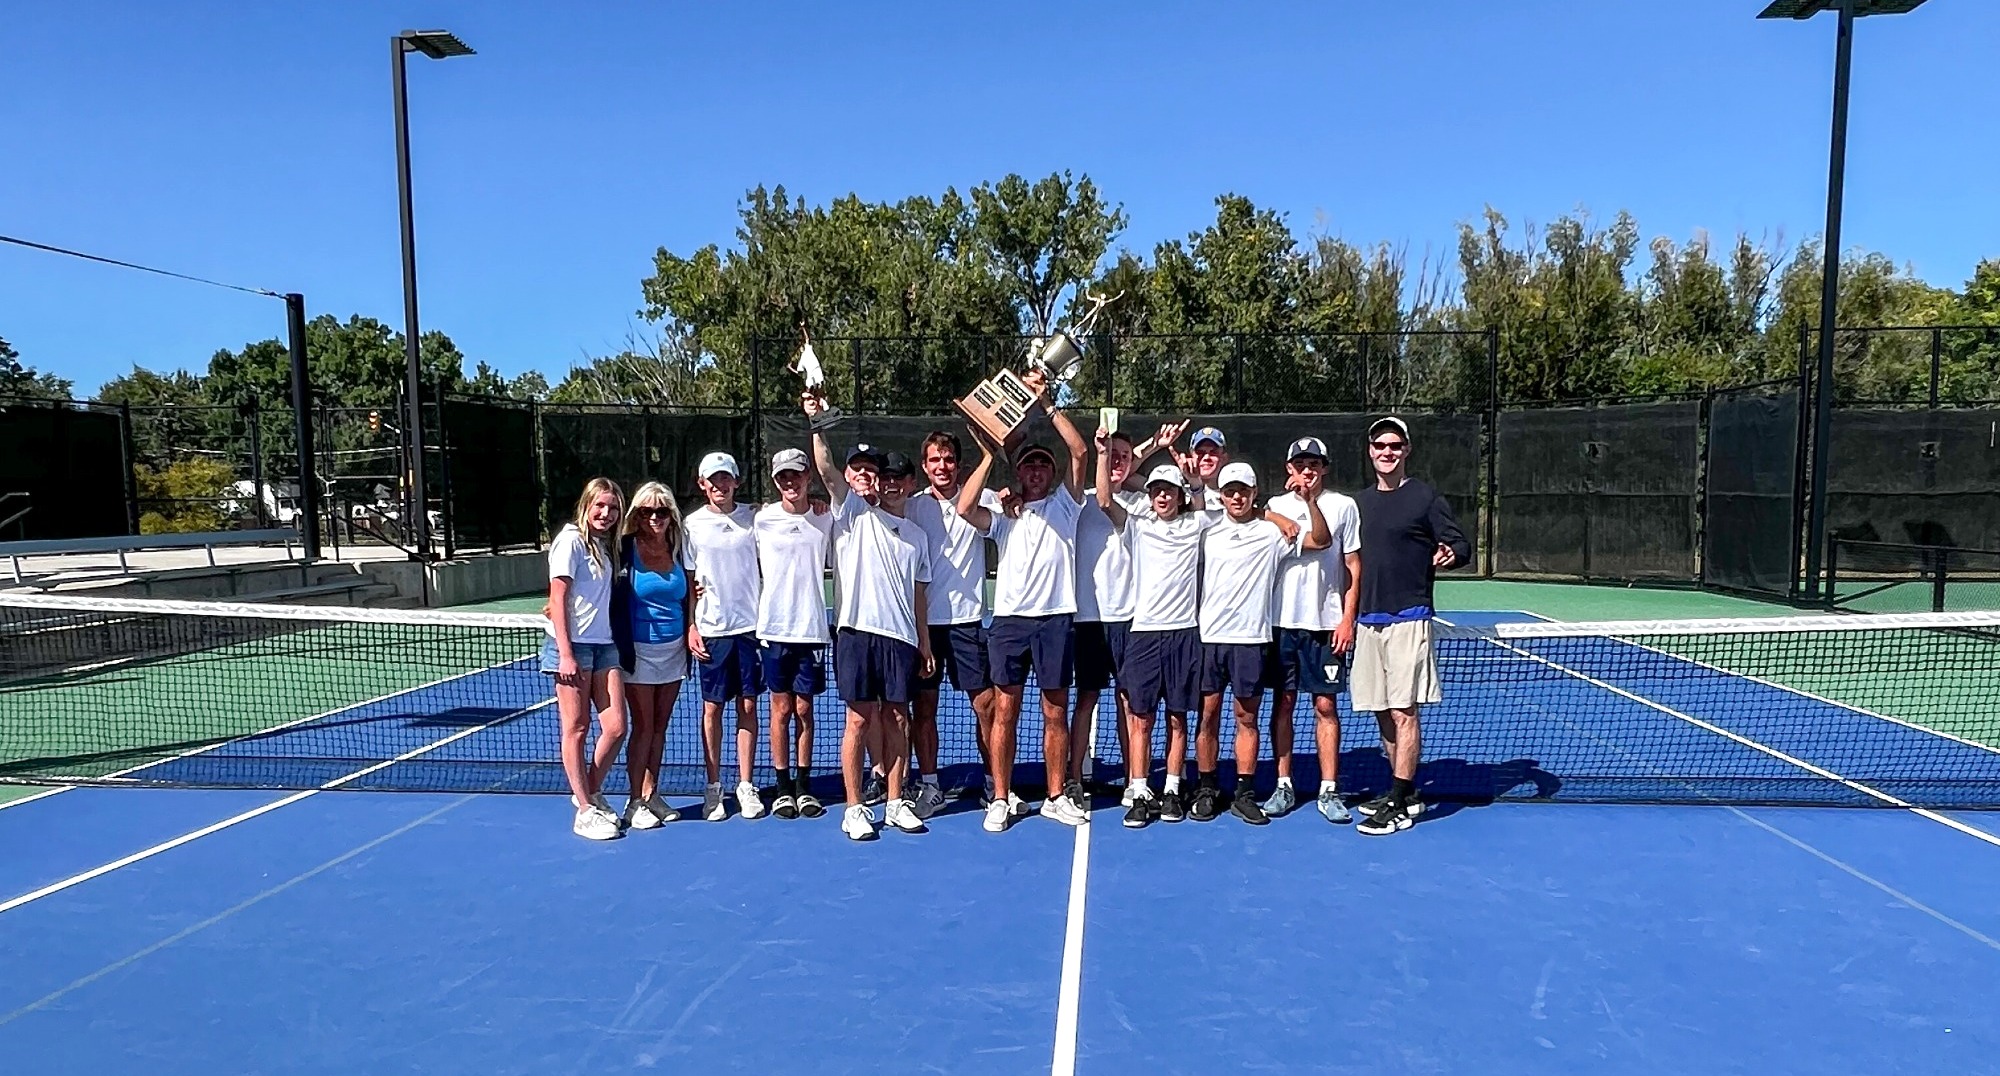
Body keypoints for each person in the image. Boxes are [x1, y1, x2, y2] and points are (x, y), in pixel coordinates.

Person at [957, 373, 1093, 832]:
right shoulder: (1002, 514)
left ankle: (1055, 796)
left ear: (1050, 474)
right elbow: (962, 509)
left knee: (1055, 711)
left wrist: (1047, 404)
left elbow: (1081, 452)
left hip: (1055, 620)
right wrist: (987, 455)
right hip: (1011, 622)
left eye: (1042, 466)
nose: (1035, 472)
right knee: (1005, 710)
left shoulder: (1066, 507)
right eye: (1028, 466)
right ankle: (1001, 798)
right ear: (1019, 474)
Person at [806, 394, 937, 841]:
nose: (874, 478)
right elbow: (823, 466)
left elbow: (920, 594)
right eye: (861, 470)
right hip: (857, 634)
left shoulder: (917, 536)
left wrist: (924, 642)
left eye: (878, 472)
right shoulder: (853, 511)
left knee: (898, 718)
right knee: (859, 720)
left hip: (901, 639)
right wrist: (817, 422)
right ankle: (855, 807)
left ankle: (897, 801)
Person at [1351, 416, 1472, 836]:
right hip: (1368, 620)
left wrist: (1449, 554)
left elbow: (1460, 544)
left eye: (1395, 445)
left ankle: (1400, 802)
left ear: (1406, 450)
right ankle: (1405, 790)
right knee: (1382, 711)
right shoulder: (1360, 503)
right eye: (1380, 445)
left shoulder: (1425, 497)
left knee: (1404, 711)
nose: (1388, 452)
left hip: (1410, 617)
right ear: (1370, 451)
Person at [1195, 461, 1326, 824]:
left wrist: (1307, 503)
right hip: (1210, 639)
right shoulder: (1206, 531)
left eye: (1243, 490)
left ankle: (1244, 792)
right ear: (1221, 495)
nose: (1236, 496)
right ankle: (1207, 787)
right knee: (1207, 716)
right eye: (1229, 490)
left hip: (1251, 641)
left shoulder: (1273, 535)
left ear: (1254, 494)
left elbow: (1320, 540)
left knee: (1245, 718)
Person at [1094, 441, 1211, 827]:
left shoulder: (1197, 525)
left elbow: (1203, 505)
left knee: (1178, 719)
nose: (1162, 496)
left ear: (1179, 496)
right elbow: (1105, 500)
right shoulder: (1137, 527)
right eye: (1157, 491)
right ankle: (1140, 790)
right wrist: (1101, 453)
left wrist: (1194, 481)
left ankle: (1173, 789)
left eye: (1169, 491)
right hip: (1144, 635)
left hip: (1184, 635)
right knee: (1140, 718)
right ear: (1150, 496)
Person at [1262, 436, 1362, 823]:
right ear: (1289, 468)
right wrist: (1278, 514)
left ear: (1324, 468)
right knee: (1283, 703)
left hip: (1326, 625)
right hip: (1281, 623)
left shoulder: (1343, 506)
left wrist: (1347, 617)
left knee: (1325, 706)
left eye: (1315, 463)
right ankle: (1283, 784)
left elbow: (1350, 563)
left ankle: (1329, 789)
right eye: (1300, 463)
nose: (1308, 469)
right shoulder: (1274, 507)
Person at [906, 430, 1001, 817]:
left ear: (958, 465)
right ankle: (930, 786)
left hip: (968, 623)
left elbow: (1015, 506)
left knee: (986, 707)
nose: (941, 467)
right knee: (924, 709)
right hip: (925, 627)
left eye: (947, 460)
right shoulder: (912, 507)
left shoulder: (984, 498)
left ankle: (996, 784)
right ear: (925, 466)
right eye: (934, 461)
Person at [543, 477, 630, 841]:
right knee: (576, 728)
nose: (606, 513)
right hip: (573, 649)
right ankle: (584, 809)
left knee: (615, 727)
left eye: (613, 508)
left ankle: (588, 793)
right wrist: (565, 654)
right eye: (600, 506)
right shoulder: (571, 541)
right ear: (586, 505)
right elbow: (558, 598)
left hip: (604, 645)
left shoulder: (606, 546)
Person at [683, 451, 765, 822]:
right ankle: (714, 787)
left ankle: (745, 785)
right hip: (712, 630)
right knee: (712, 709)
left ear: (736, 482)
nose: (719, 485)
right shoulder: (691, 525)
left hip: (750, 629)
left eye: (726, 478)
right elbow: (687, 580)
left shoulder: (754, 517)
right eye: (712, 479)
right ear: (702, 484)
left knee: (747, 707)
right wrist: (691, 625)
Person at [754, 448, 834, 820]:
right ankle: (782, 787)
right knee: (781, 709)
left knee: (805, 709)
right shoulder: (762, 520)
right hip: (773, 629)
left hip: (812, 629)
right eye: (782, 477)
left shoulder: (825, 517)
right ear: (775, 481)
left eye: (796, 475)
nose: (790, 482)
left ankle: (804, 787)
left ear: (807, 478)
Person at [612, 480, 693, 830]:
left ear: (671, 515)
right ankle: (634, 801)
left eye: (662, 511)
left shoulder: (678, 547)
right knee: (643, 727)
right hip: (639, 652)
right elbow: (598, 583)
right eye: (647, 511)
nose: (655, 517)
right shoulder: (623, 548)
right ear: (637, 515)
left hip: (674, 651)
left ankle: (651, 792)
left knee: (660, 727)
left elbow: (689, 593)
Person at [1188, 426, 1231, 516]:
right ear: (1191, 457)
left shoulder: (1234, 494)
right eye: (1200, 452)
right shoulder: (1179, 494)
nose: (1206, 458)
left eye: (1213, 452)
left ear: (1224, 458)